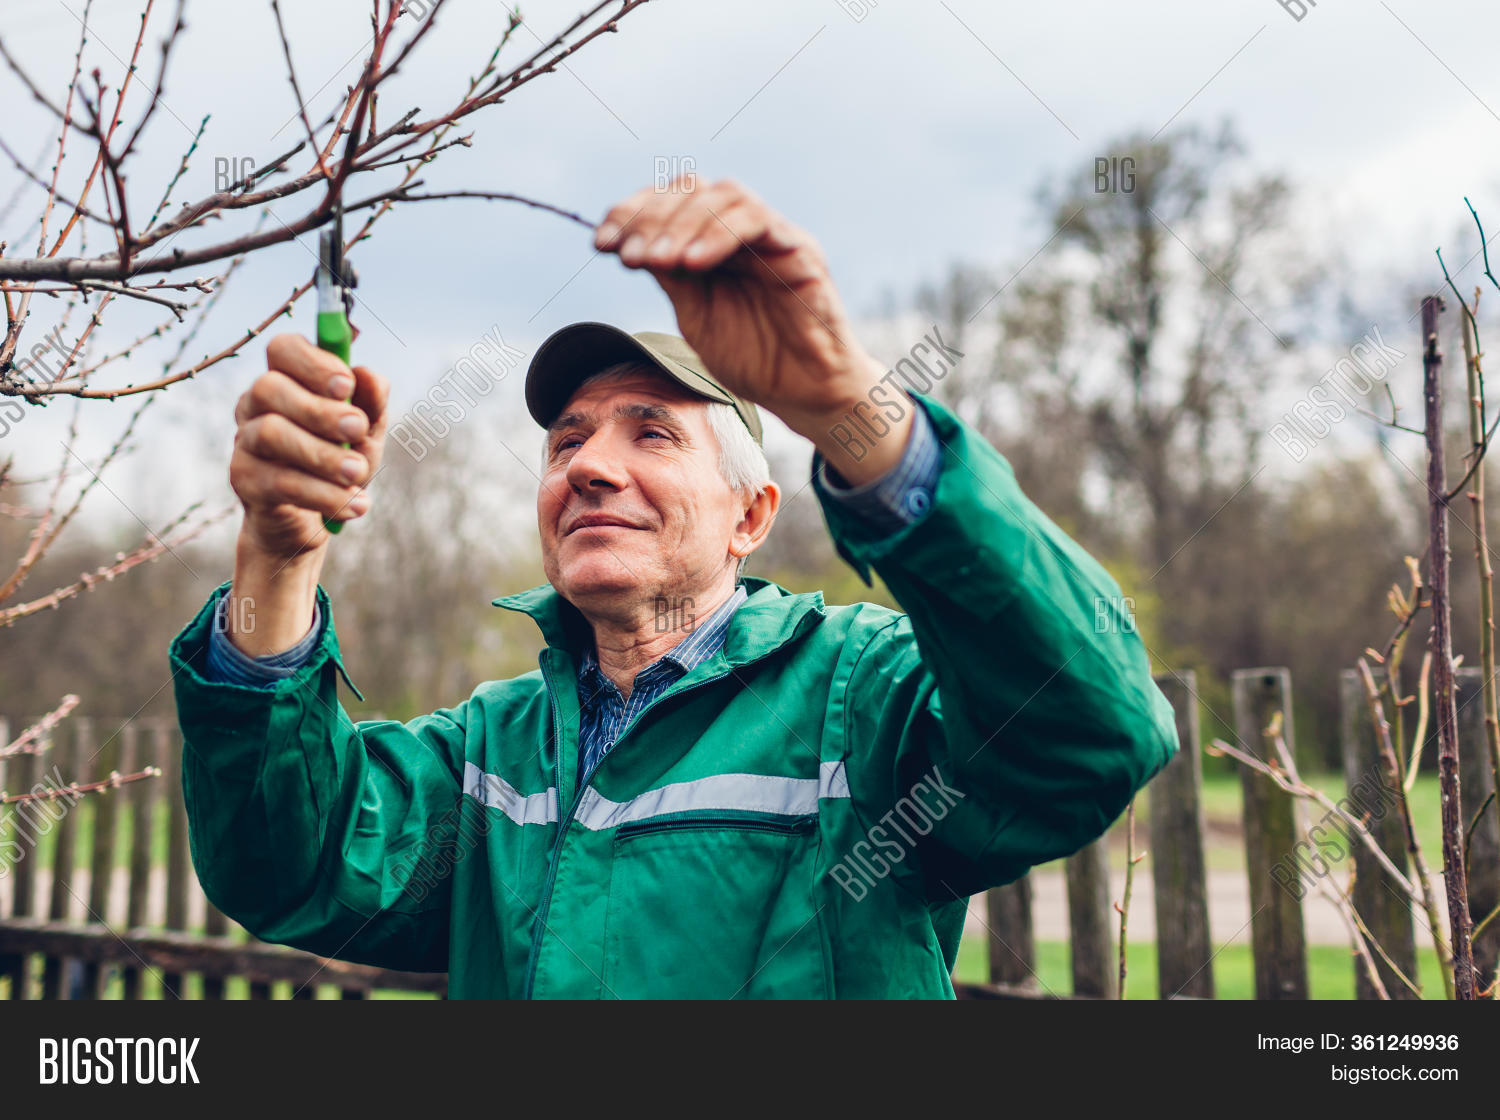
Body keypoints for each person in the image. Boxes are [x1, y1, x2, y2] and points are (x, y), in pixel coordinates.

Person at [169, 176, 1179, 998]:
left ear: (751, 517)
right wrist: (278, 551)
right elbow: (283, 862)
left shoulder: (855, 700)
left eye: (650, 430)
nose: (588, 466)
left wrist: (844, 403)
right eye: (567, 441)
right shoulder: (492, 749)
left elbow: (1087, 734)